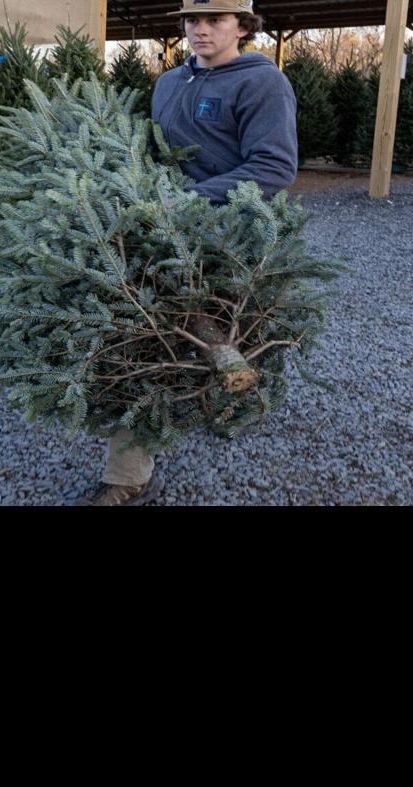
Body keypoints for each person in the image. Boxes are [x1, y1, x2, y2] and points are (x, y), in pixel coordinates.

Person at [77, 0, 298, 506]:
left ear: (242, 26)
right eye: (192, 20)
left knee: (194, 340)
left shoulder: (261, 83)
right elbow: (149, 150)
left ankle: (198, 415)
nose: (200, 31)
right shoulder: (169, 83)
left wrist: (190, 201)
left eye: (215, 20)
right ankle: (128, 472)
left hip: (224, 240)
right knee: (137, 341)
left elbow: (274, 167)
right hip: (156, 228)